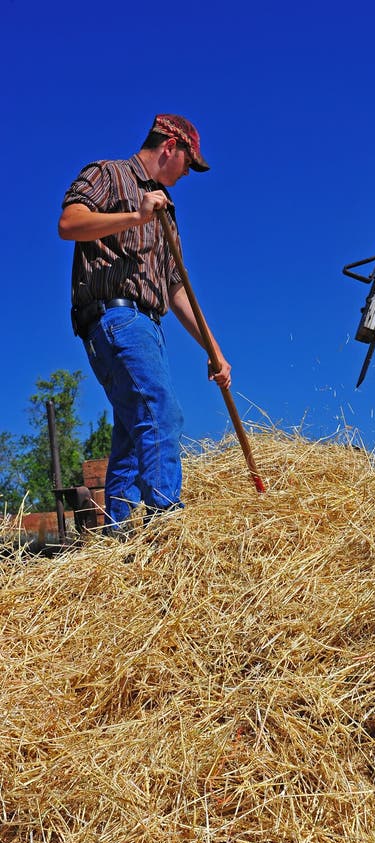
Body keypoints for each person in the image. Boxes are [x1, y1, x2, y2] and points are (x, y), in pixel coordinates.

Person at [58, 113, 231, 532]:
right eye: (189, 161)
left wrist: (215, 351)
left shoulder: (167, 213)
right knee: (159, 410)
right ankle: (167, 526)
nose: (188, 172)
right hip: (115, 316)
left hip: (149, 326)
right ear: (170, 146)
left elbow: (175, 290)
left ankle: (115, 542)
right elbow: (69, 224)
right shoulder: (109, 174)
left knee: (134, 435)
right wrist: (135, 216)